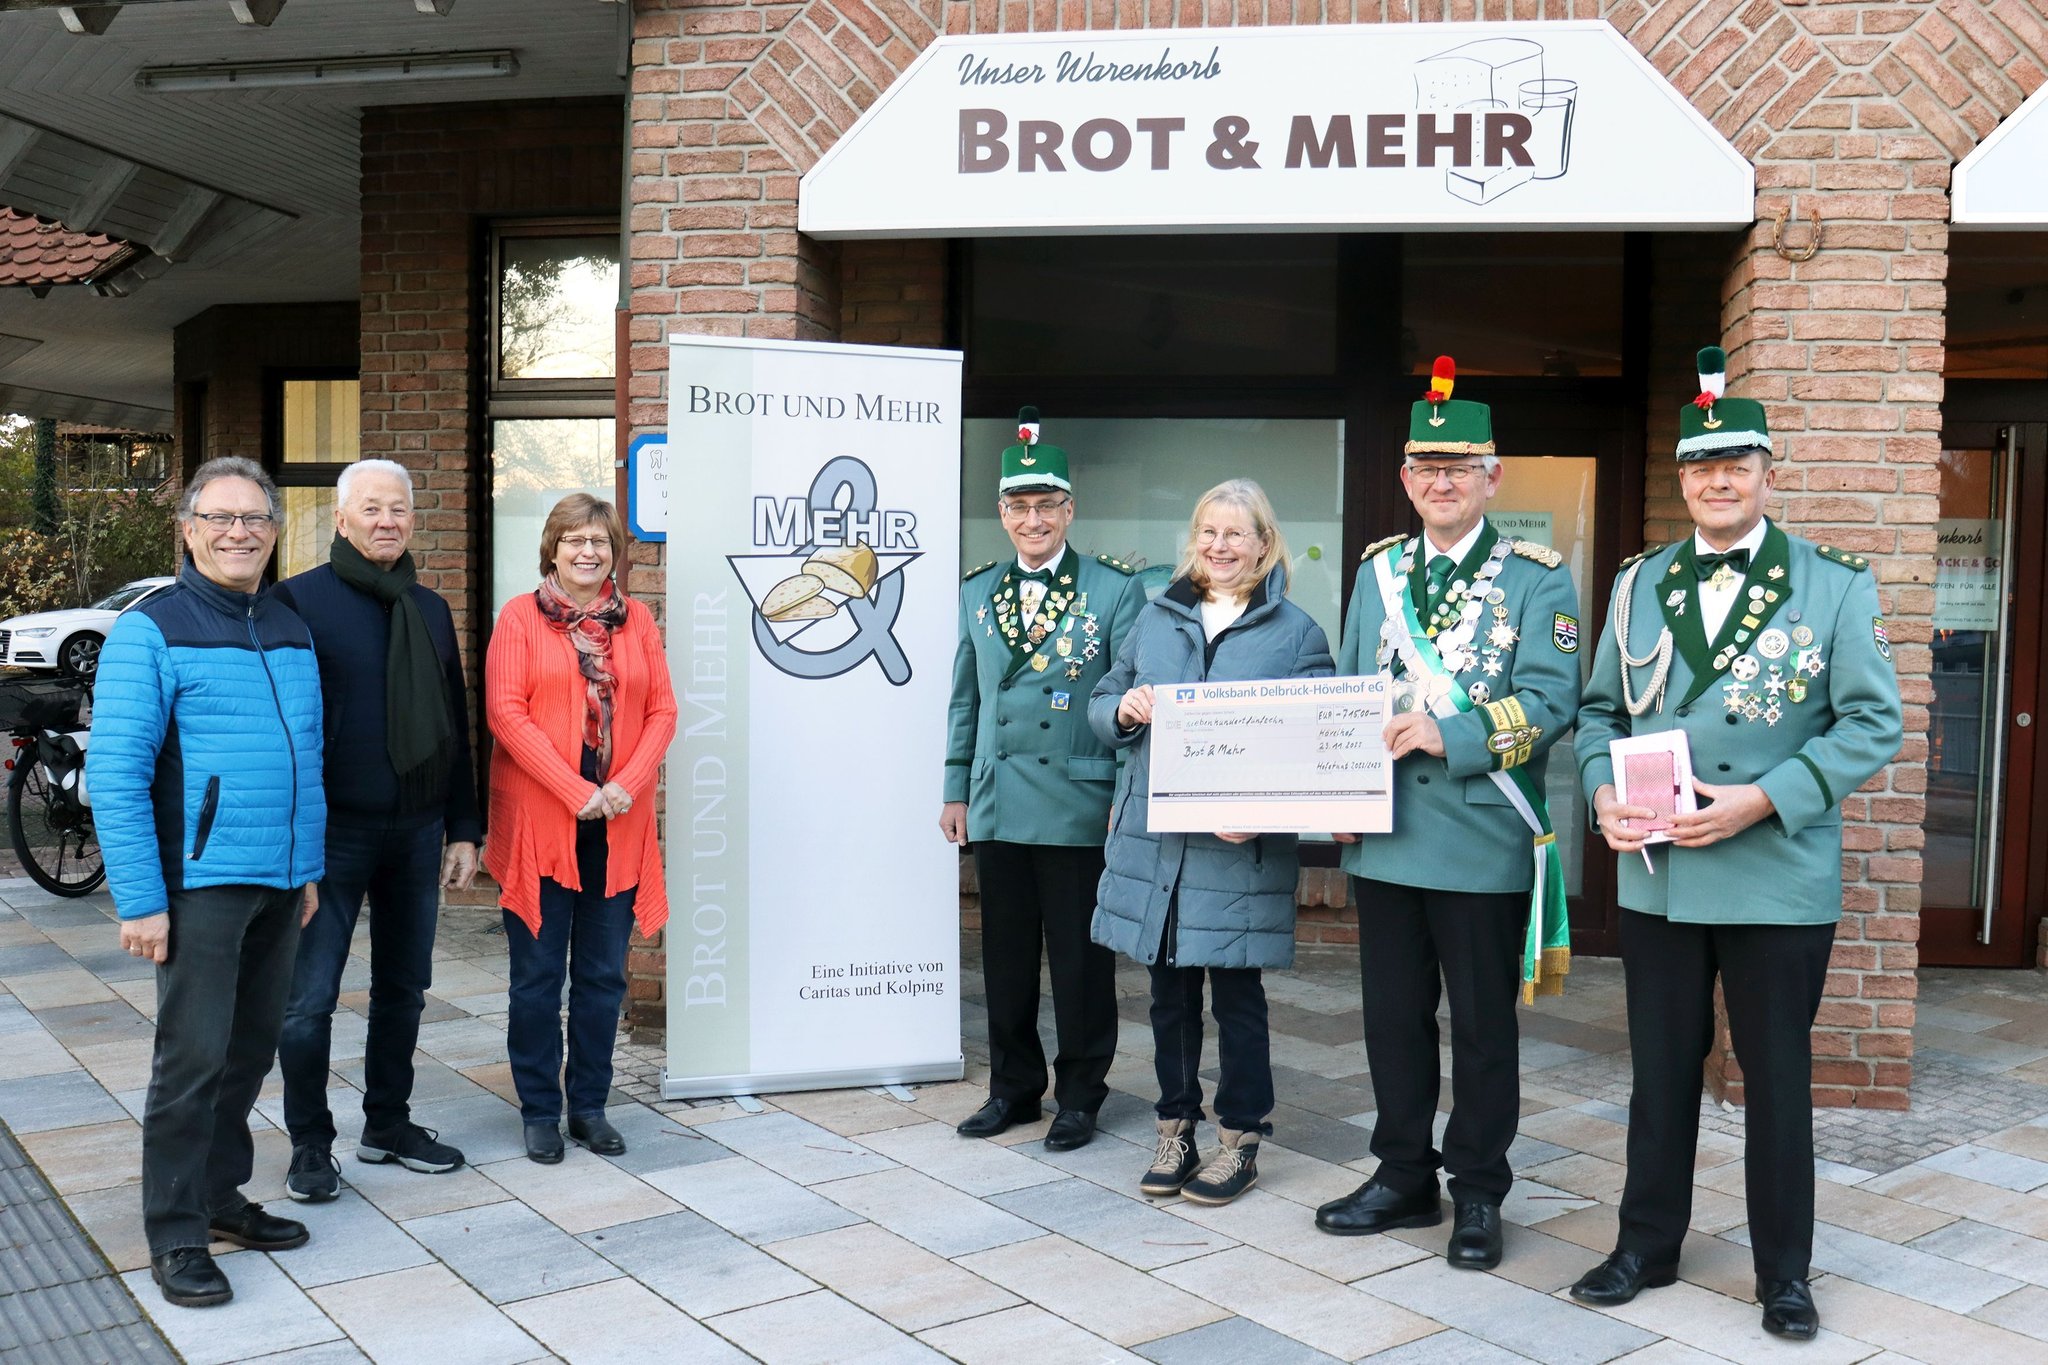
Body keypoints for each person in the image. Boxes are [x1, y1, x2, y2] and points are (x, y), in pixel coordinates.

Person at [1568, 348, 1902, 1340]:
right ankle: (1644, 1247)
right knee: (1658, 1072)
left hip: (1774, 874)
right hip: (1659, 875)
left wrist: (1763, 798)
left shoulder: (1832, 586)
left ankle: (1782, 1274)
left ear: (1766, 473)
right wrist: (1598, 797)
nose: (1716, 480)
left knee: (1776, 1082)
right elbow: (1595, 715)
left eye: (1736, 463)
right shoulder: (1638, 583)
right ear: (1681, 479)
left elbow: (1869, 723)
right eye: (1699, 467)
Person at [1316, 357, 1581, 1271]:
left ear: (1492, 477)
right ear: (1405, 478)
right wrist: (1337, 793)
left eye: (1460, 467)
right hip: (1387, 839)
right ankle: (1401, 1176)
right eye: (1427, 467)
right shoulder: (1378, 572)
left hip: (1479, 839)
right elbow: (1352, 693)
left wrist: (1448, 733)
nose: (1442, 481)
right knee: (1391, 1020)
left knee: (1481, 1029)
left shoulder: (1539, 579)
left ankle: (1477, 1190)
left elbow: (1554, 704)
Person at [89, 457, 326, 1308]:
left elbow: (308, 756)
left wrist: (308, 869)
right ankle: (177, 1228)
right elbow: (114, 773)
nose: (240, 532)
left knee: (249, 1050)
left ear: (274, 531)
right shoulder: (150, 629)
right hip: (197, 884)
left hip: (278, 879)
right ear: (188, 529)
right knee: (190, 1061)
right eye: (221, 518)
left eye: (255, 519)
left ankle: (222, 1197)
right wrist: (142, 898)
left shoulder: (288, 624)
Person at [1090, 479, 1333, 1205]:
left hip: (1237, 848)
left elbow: (1314, 742)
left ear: (1265, 543)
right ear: (1193, 540)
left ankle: (1239, 1139)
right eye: (1209, 532)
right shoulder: (1155, 618)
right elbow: (1104, 699)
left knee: (1236, 996)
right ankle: (1175, 1124)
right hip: (1158, 841)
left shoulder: (1297, 632)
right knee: (1167, 994)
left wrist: (1263, 808)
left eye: (1237, 534)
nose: (1220, 546)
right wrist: (1125, 710)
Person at [271, 459, 482, 1201]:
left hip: (418, 830)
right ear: (341, 519)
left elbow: (454, 722)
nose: (386, 520)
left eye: (398, 508)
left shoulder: (429, 608)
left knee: (404, 989)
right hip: (329, 838)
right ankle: (308, 1143)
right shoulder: (293, 603)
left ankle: (387, 1123)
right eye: (371, 508)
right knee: (307, 999)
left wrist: (464, 825)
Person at [942, 407, 1144, 1151]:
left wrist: (1125, 797)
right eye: (1020, 506)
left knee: (1081, 960)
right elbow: (966, 697)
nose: (1034, 519)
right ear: (1002, 513)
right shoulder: (976, 591)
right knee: (1004, 955)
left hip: (1079, 801)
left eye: (1047, 505)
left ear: (1069, 509)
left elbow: (1129, 697)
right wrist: (954, 789)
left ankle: (1083, 1093)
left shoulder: (1114, 590)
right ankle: (1014, 1088)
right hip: (998, 799)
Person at [485, 493, 676, 1164]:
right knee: (537, 978)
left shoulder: (637, 622)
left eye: (599, 540)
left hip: (615, 828)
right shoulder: (519, 618)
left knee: (600, 977)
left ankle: (589, 1105)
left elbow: (663, 711)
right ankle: (540, 1108)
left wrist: (623, 787)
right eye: (574, 540)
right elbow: (507, 713)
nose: (587, 551)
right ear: (553, 548)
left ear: (614, 551)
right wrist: (576, 790)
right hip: (543, 825)